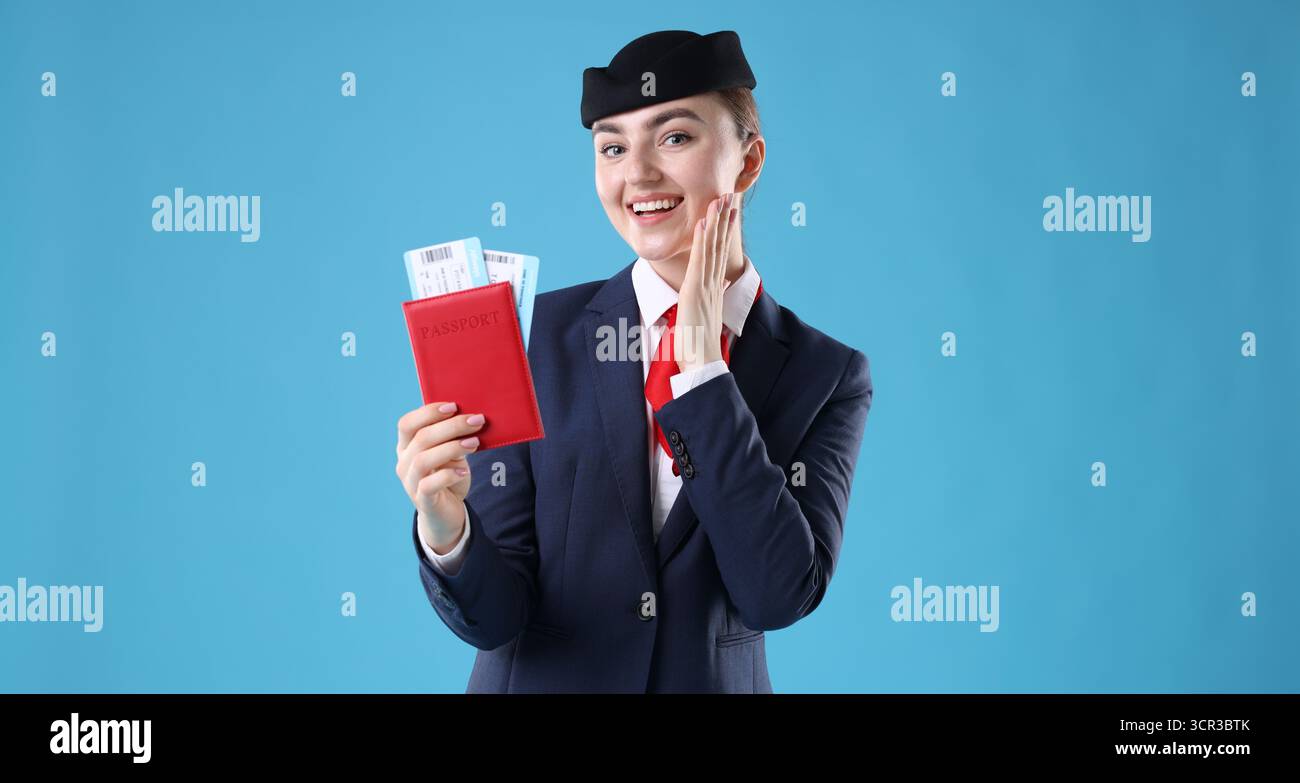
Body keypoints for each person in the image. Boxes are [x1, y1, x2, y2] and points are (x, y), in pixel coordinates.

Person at [393, 29, 873, 693]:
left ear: (750, 160)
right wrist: (447, 529)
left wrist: (703, 374)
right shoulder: (536, 335)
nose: (638, 173)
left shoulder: (827, 375)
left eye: (674, 137)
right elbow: (497, 615)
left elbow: (777, 595)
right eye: (613, 146)